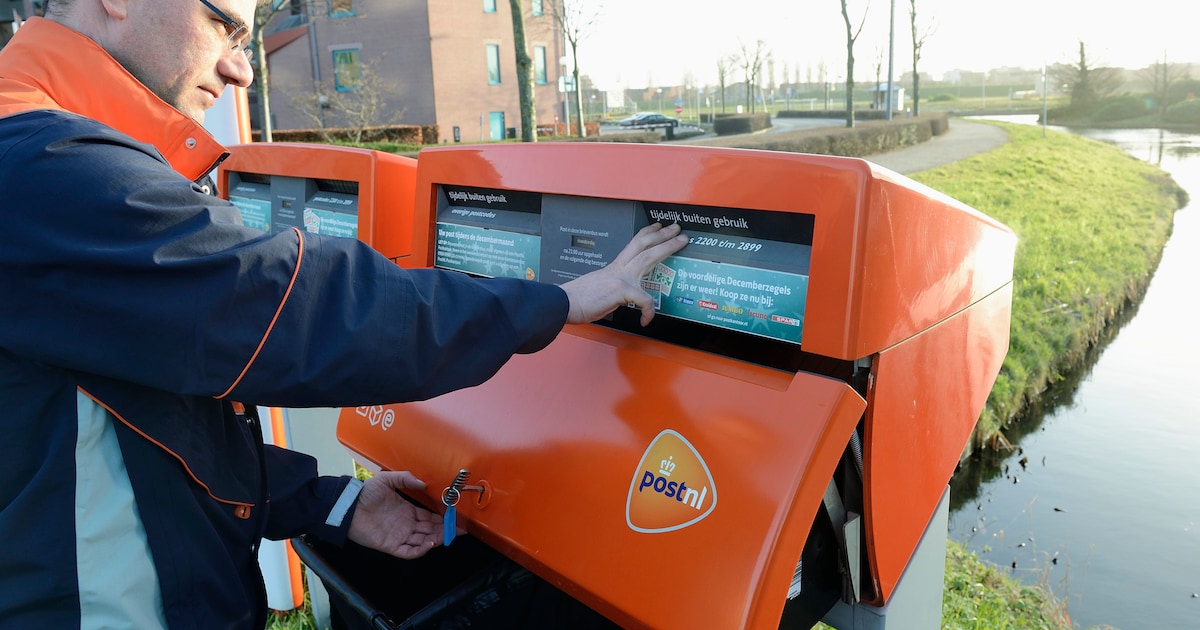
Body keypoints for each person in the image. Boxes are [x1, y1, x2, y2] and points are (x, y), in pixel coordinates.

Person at [0, 1, 687, 628]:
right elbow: (299, 311)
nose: (240, 66)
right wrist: (557, 300)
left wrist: (330, 502)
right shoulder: (43, 168)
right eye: (223, 24)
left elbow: (150, 433)